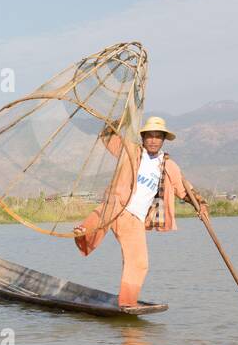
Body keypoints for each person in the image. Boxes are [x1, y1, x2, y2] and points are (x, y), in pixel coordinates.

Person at [73, 115, 207, 309]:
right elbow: (107, 135)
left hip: (135, 217)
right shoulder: (131, 151)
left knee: (139, 262)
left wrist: (201, 205)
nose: (153, 140)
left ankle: (127, 302)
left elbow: (185, 191)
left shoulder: (168, 165)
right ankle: (83, 233)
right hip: (117, 204)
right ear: (143, 138)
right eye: (149, 136)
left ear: (163, 140)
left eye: (157, 136)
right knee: (99, 218)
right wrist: (124, 116)